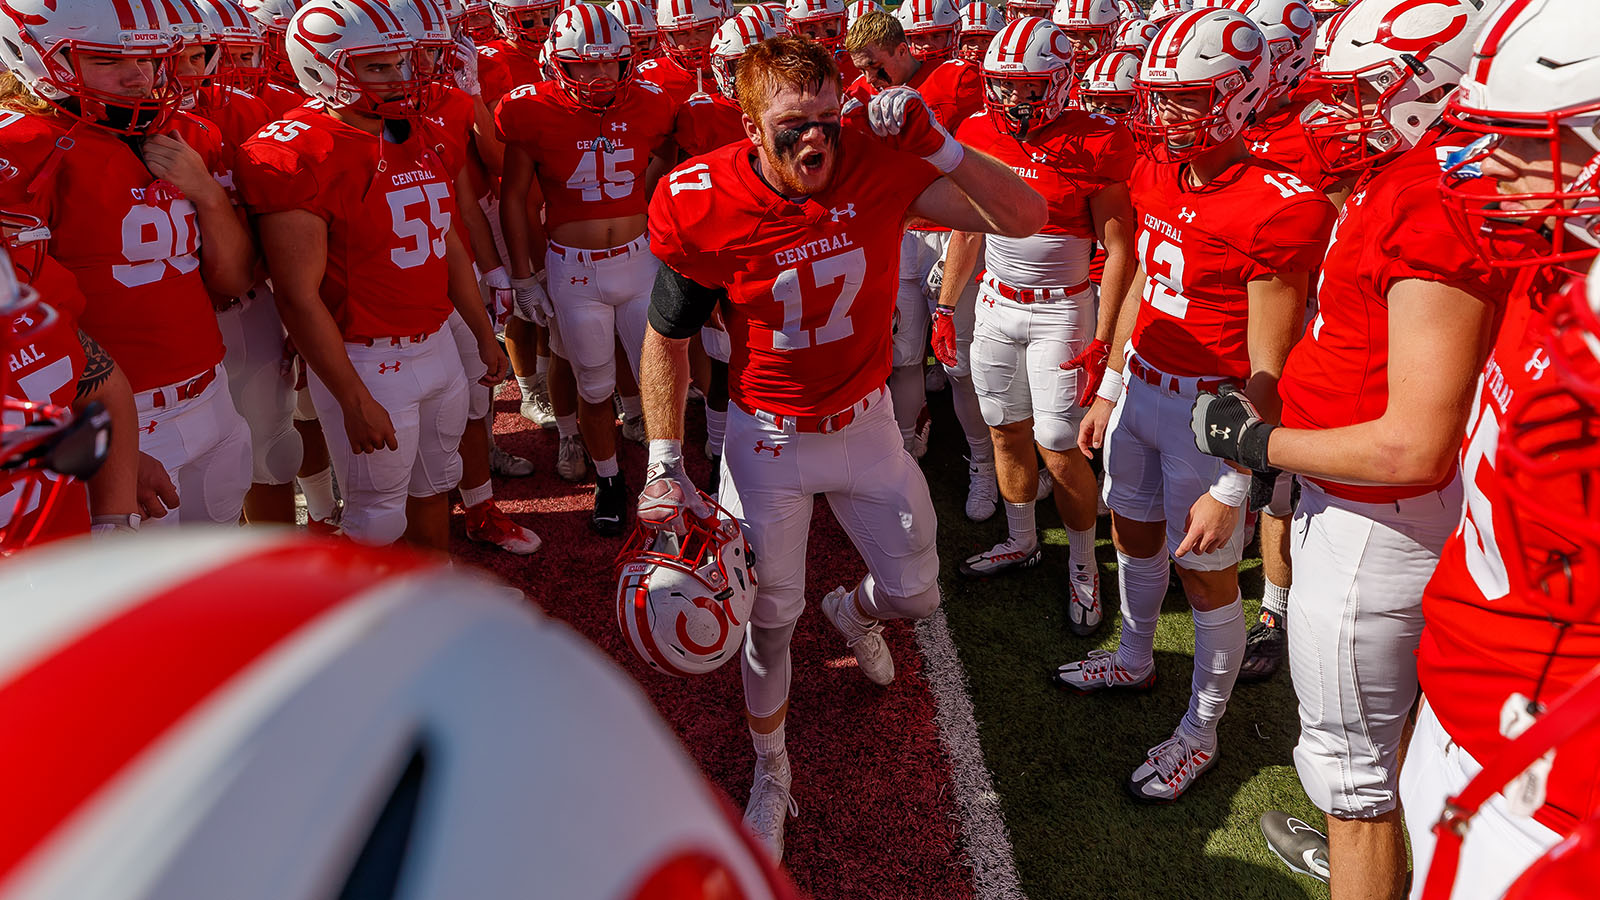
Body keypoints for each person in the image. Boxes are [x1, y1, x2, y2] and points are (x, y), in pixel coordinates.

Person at [637, 34, 1044, 860]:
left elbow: (1028, 218)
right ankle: (772, 772)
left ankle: (852, 611)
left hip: (865, 425)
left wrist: (940, 145)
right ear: (749, 124)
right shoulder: (700, 196)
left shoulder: (877, 157)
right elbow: (665, 338)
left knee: (918, 598)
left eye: (829, 113)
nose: (817, 134)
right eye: (794, 121)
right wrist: (663, 464)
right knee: (768, 622)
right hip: (769, 440)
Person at [1187, 0, 1511, 895]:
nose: (1333, 112)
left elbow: (1415, 446)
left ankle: (1367, 868)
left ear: (1437, 87)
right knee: (1380, 747)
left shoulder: (1431, 202)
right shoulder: (1396, 174)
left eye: (1361, 90)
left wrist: (1259, 443)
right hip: (1364, 502)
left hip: (1376, 517)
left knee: (1352, 779)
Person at [1056, 7, 1334, 803]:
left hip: (1211, 416)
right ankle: (1136, 658)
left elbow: (1269, 367)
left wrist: (1235, 481)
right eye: (1161, 96)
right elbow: (1146, 272)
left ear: (1244, 93)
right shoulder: (1155, 169)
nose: (1165, 114)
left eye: (1185, 97)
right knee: (1131, 533)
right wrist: (1112, 381)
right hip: (1143, 385)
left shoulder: (1282, 203)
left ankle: (1201, 731)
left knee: (1206, 574)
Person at [1402, 2, 1600, 897]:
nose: (1496, 167)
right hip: (1462, 695)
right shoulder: (1550, 271)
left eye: (1537, 141)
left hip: (1552, 776)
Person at [237, 0, 506, 550]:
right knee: (376, 517)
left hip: (437, 343)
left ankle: (434, 599)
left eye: (403, 62)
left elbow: (448, 240)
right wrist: (353, 396)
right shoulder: (296, 151)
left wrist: (481, 331)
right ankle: (381, 632)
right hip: (367, 355)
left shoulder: (418, 127)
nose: (400, 77)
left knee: (437, 487)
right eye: (377, 67)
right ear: (321, 67)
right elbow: (296, 294)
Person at [0, 0, 258, 529]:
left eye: (148, 58)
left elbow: (232, 281)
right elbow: (28, 336)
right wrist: (112, 445)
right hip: (120, 414)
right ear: (35, 55)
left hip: (212, 389)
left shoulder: (187, 135)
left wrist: (208, 195)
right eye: (107, 60)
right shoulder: (24, 150)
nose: (139, 76)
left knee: (217, 574)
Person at [940, 16, 1137, 643]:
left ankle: (1083, 564)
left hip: (1063, 305)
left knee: (1059, 443)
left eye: (1028, 87)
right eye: (1002, 85)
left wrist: (1103, 337)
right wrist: (948, 305)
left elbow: (1119, 244)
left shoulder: (1099, 138)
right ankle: (1022, 538)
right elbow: (968, 226)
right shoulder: (977, 129)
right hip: (996, 302)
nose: (1012, 99)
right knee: (1004, 431)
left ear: (1059, 81)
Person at [497, 3, 676, 535]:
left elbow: (667, 159)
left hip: (638, 260)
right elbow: (514, 198)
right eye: (585, 65)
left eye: (611, 64)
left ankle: (666, 477)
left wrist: (645, 215)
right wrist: (524, 273)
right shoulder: (529, 110)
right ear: (558, 63)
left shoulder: (651, 103)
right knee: (594, 385)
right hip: (573, 270)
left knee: (657, 377)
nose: (600, 76)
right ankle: (609, 479)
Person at [845, 10, 983, 461]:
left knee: (957, 359)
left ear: (904, 50)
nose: (869, 77)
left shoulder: (956, 80)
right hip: (900, 234)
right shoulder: (861, 91)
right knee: (903, 353)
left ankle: (981, 460)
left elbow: (978, 153)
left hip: (951, 232)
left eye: (876, 65)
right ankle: (905, 441)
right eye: (862, 68)